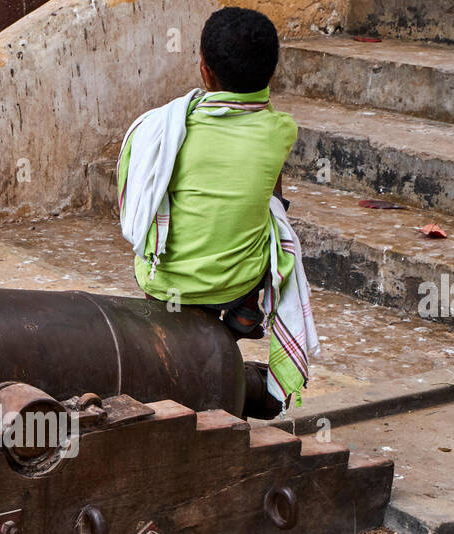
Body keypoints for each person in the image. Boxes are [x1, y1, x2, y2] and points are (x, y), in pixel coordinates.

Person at [117, 7, 317, 416]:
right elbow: (264, 194)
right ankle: (246, 312)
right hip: (235, 283)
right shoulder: (282, 131)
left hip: (164, 279)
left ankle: (203, 329)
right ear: (270, 73)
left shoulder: (160, 128)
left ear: (205, 72)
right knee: (274, 216)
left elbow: (134, 202)